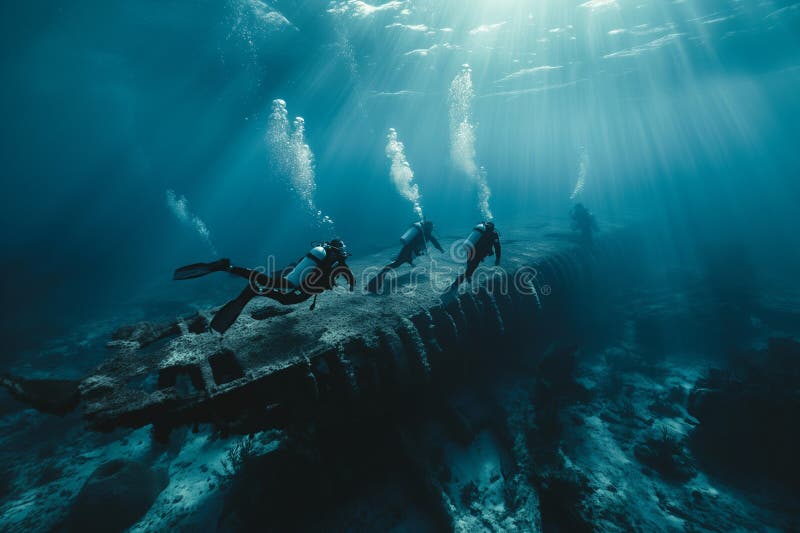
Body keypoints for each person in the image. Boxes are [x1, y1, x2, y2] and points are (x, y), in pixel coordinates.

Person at [174, 239, 355, 333]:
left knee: (278, 290)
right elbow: (344, 278)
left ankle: (247, 282)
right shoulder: (335, 260)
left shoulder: (324, 255)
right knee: (277, 291)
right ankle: (228, 267)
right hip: (296, 283)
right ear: (339, 251)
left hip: (294, 277)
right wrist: (351, 286)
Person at [366, 220, 444, 293]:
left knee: (395, 264)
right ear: (428, 227)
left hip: (408, 252)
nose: (432, 229)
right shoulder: (424, 235)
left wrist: (440, 249)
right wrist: (440, 249)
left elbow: (434, 243)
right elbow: (414, 245)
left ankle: (375, 283)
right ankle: (372, 285)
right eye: (431, 227)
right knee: (395, 264)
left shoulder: (426, 235)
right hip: (408, 252)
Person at [447, 221, 501, 293]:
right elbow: (497, 247)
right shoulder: (494, 234)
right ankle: (456, 284)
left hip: (469, 251)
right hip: (478, 254)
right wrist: (497, 258)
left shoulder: (480, 231)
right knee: (470, 270)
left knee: (470, 266)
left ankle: (468, 276)